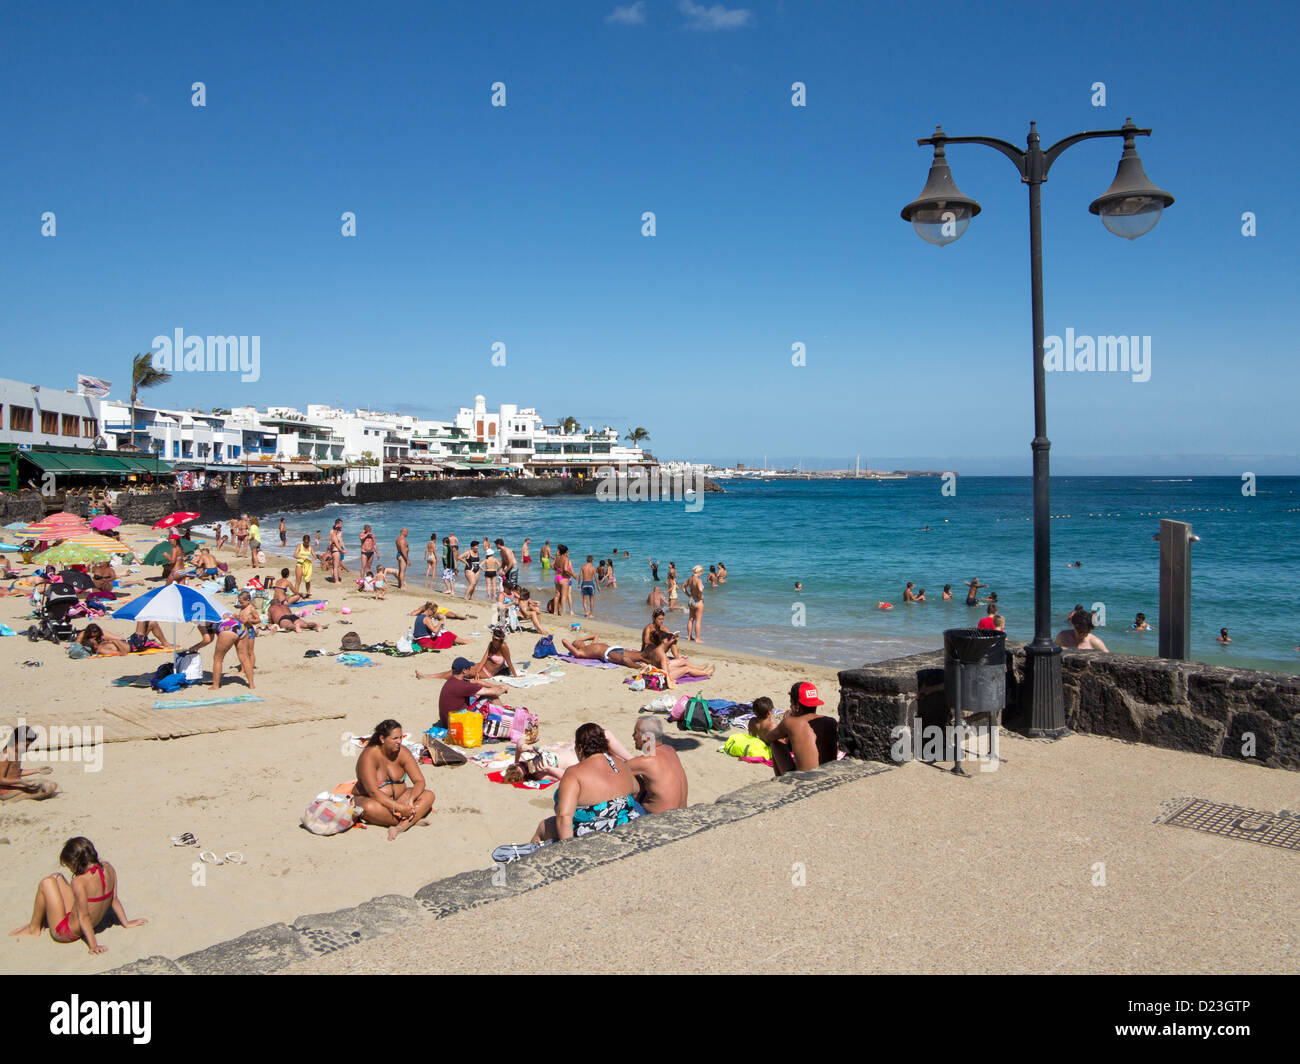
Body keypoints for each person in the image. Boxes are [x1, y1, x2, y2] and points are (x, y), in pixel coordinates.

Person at [10, 836, 146, 951]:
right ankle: (37, 924)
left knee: (47, 882)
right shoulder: (109, 868)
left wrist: (93, 945)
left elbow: (84, 916)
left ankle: (34, 929)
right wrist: (126, 923)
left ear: (75, 862)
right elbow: (114, 899)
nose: (69, 869)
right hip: (86, 923)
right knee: (56, 877)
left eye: (69, 865)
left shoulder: (79, 882)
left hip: (66, 933)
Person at [530, 723, 646, 843]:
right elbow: (637, 790)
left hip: (593, 833)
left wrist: (568, 849)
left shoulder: (573, 773)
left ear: (579, 749)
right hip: (626, 824)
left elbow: (564, 816)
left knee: (543, 828)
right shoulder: (620, 764)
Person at [352, 720, 435, 841]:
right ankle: (410, 821)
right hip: (374, 800)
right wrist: (400, 808)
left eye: (400, 737)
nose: (399, 741)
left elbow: (419, 780)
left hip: (400, 797)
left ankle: (400, 827)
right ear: (382, 739)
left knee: (429, 795)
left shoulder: (402, 752)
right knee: (368, 808)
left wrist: (411, 799)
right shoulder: (369, 756)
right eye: (395, 738)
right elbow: (373, 792)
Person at [765, 682, 839, 777]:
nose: (790, 707)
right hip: (828, 775)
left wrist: (786, 730)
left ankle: (779, 780)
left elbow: (768, 738)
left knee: (776, 742)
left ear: (796, 706)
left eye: (791, 704)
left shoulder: (790, 722)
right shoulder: (831, 721)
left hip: (804, 779)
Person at [622, 716, 687, 814]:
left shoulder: (646, 761)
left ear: (647, 737)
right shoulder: (670, 750)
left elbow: (615, 771)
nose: (633, 736)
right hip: (682, 814)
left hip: (659, 820)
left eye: (635, 732)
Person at [430, 657, 508, 727]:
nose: (470, 670)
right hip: (458, 723)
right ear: (464, 671)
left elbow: (477, 682)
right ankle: (506, 720)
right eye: (469, 668)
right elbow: (494, 692)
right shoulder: (463, 686)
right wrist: (503, 689)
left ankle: (504, 717)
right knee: (491, 696)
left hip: (446, 722)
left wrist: (496, 686)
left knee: (476, 696)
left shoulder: (452, 681)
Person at [212, 592, 259, 688]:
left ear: (248, 600)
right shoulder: (242, 608)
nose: (240, 604)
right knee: (244, 655)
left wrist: (249, 621)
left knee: (250, 652)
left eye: (242, 602)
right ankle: (246, 675)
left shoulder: (251, 608)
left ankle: (251, 669)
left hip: (249, 630)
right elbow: (241, 619)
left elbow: (258, 620)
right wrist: (237, 617)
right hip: (242, 629)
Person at [2, 725, 57, 802]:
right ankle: (14, 800)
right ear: (16, 741)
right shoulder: (6, 755)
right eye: (26, 745)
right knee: (47, 789)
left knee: (53, 784)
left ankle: (22, 796)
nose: (27, 748)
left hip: (16, 784)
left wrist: (36, 770)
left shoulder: (17, 753)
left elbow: (16, 772)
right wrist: (20, 781)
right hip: (5, 790)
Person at [553, 545, 575, 616]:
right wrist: (573, 574)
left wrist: (558, 570)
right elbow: (565, 569)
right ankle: (563, 612)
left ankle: (555, 612)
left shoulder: (557, 558)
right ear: (566, 551)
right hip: (564, 579)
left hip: (557, 578)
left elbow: (554, 566)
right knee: (564, 596)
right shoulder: (566, 559)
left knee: (557, 595)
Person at [685, 565, 705, 642]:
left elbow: (683, 588)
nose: (701, 574)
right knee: (698, 621)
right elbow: (700, 589)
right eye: (701, 573)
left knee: (690, 619)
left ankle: (689, 637)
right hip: (698, 601)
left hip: (691, 600)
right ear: (699, 571)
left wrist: (688, 595)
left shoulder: (690, 579)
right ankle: (697, 638)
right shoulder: (698, 580)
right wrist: (700, 596)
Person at [328, 520, 345, 584]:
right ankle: (335, 579)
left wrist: (344, 548)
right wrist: (329, 550)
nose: (342, 525)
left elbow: (341, 541)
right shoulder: (332, 532)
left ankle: (338, 577)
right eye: (341, 524)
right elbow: (331, 541)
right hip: (336, 549)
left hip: (339, 548)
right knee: (335, 565)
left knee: (338, 564)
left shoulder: (340, 532)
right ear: (337, 524)